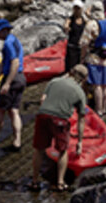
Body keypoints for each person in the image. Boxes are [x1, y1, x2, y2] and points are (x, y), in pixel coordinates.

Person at [31, 64, 88, 192]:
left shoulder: (54, 81)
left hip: (43, 115)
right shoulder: (80, 92)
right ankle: (60, 183)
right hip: (60, 120)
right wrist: (79, 142)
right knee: (62, 151)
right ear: (83, 79)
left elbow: (42, 99)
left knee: (39, 149)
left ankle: (34, 181)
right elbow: (81, 119)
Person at [0, 18, 25, 151]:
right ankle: (17, 141)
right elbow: (3, 65)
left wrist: (7, 83)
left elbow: (14, 63)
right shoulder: (14, 40)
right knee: (14, 111)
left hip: (13, 79)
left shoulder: (8, 44)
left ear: (5, 30)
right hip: (21, 78)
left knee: (0, 111)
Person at [79, 3, 106, 113]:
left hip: (94, 58)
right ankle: (104, 108)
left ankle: (98, 110)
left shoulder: (91, 25)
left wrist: (82, 57)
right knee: (105, 86)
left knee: (97, 85)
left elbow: (84, 43)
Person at [63, 0, 87, 74]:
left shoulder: (84, 20)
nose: (77, 10)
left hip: (81, 48)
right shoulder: (70, 19)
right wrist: (66, 27)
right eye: (75, 8)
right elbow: (66, 25)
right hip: (72, 48)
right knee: (71, 68)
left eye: (78, 8)